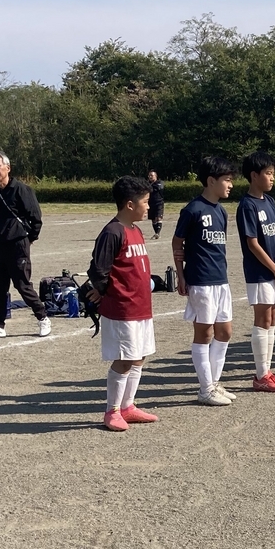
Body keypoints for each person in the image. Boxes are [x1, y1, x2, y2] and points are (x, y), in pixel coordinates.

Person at [88, 176, 158, 431]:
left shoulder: (136, 230)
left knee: (138, 356)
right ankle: (112, 410)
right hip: (122, 310)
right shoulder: (112, 231)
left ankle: (128, 406)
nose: (149, 207)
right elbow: (98, 271)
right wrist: (106, 292)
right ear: (130, 205)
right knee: (124, 359)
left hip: (141, 308)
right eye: (146, 202)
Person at [173, 156, 237, 407]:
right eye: (227, 180)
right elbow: (177, 243)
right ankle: (205, 388)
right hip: (200, 280)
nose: (231, 185)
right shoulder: (192, 209)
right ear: (211, 180)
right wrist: (180, 274)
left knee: (225, 331)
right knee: (205, 332)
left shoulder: (221, 211)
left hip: (220, 280)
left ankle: (214, 382)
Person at [0, 151, 51, 340]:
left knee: (22, 285)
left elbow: (35, 218)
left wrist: (29, 239)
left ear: (7, 168)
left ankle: (43, 317)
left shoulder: (21, 189)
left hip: (18, 244)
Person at [237, 151, 275, 393]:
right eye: (268, 174)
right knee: (262, 319)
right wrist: (274, 269)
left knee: (273, 317)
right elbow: (252, 243)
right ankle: (260, 375)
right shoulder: (247, 205)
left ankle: (267, 370)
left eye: (273, 174)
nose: (272, 178)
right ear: (254, 175)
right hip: (260, 272)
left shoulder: (269, 201)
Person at [147, 170, 166, 239]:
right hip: (151, 203)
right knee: (153, 219)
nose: (150, 177)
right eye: (149, 175)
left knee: (158, 217)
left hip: (159, 203)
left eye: (152, 175)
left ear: (156, 176)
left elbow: (159, 188)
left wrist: (150, 188)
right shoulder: (148, 183)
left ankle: (157, 233)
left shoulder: (159, 182)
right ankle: (156, 233)